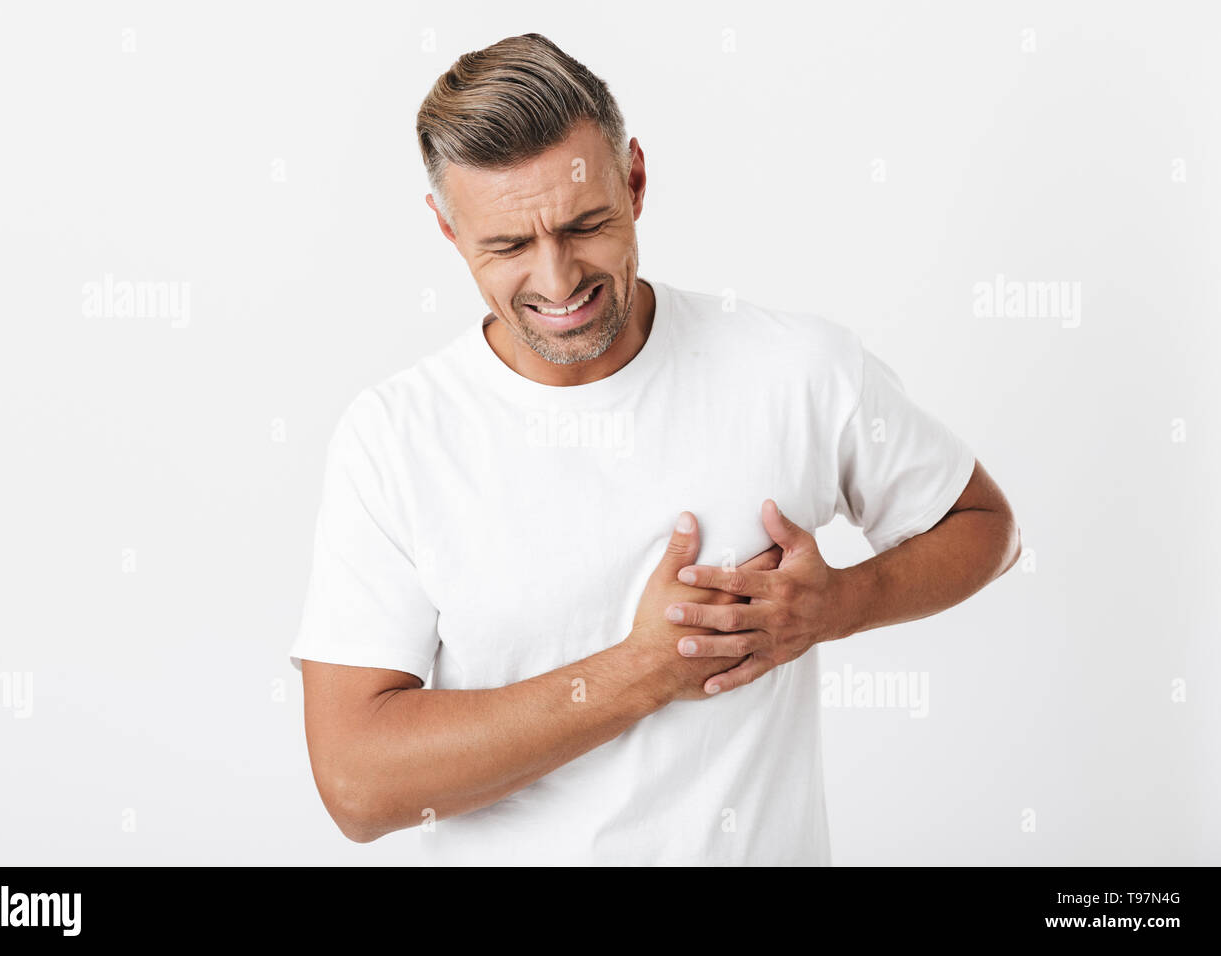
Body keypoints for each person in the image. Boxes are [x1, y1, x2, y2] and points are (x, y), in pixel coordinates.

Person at [288, 33, 1021, 865]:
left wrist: (840, 605)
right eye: (508, 247)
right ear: (448, 230)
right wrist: (641, 671)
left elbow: (985, 524)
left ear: (635, 180)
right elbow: (357, 787)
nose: (558, 280)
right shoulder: (394, 438)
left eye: (584, 225)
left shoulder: (796, 370)